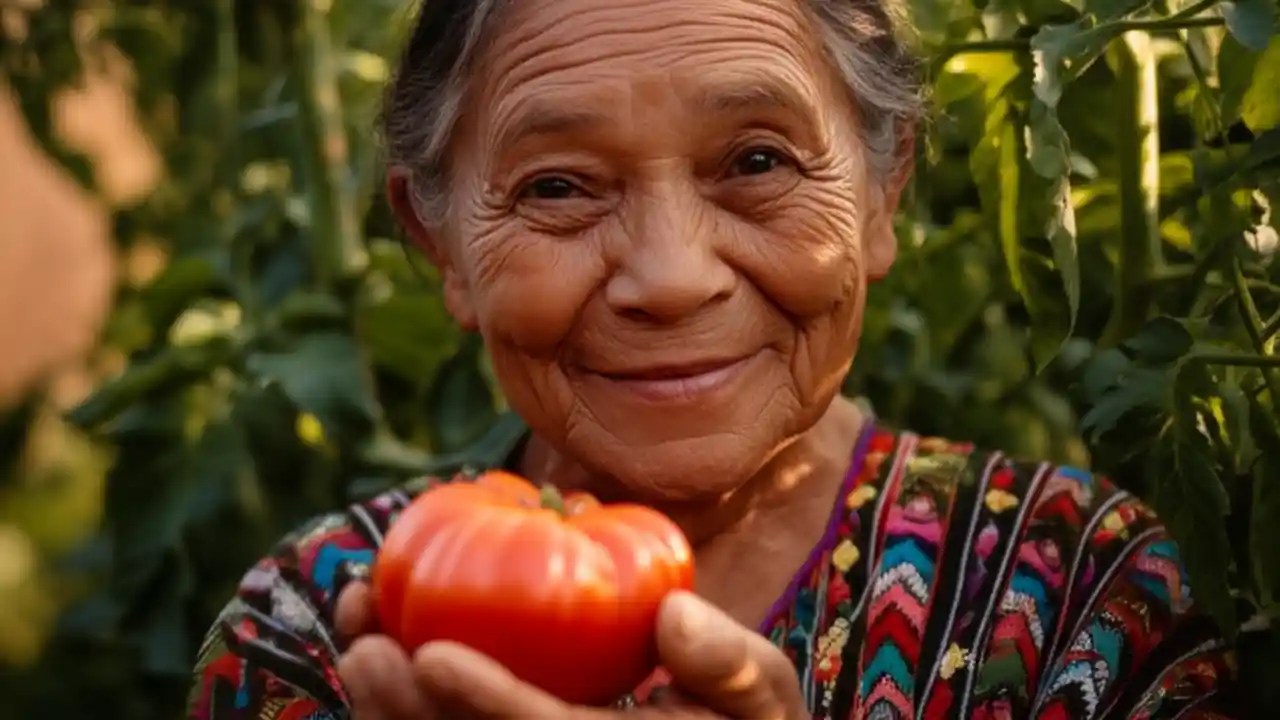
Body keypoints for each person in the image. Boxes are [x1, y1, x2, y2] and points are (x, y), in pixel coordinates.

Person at [185, 0, 1237, 717]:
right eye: (556, 186)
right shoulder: (316, 630)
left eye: (755, 162)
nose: (673, 276)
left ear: (882, 194)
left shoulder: (1074, 598)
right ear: (439, 243)